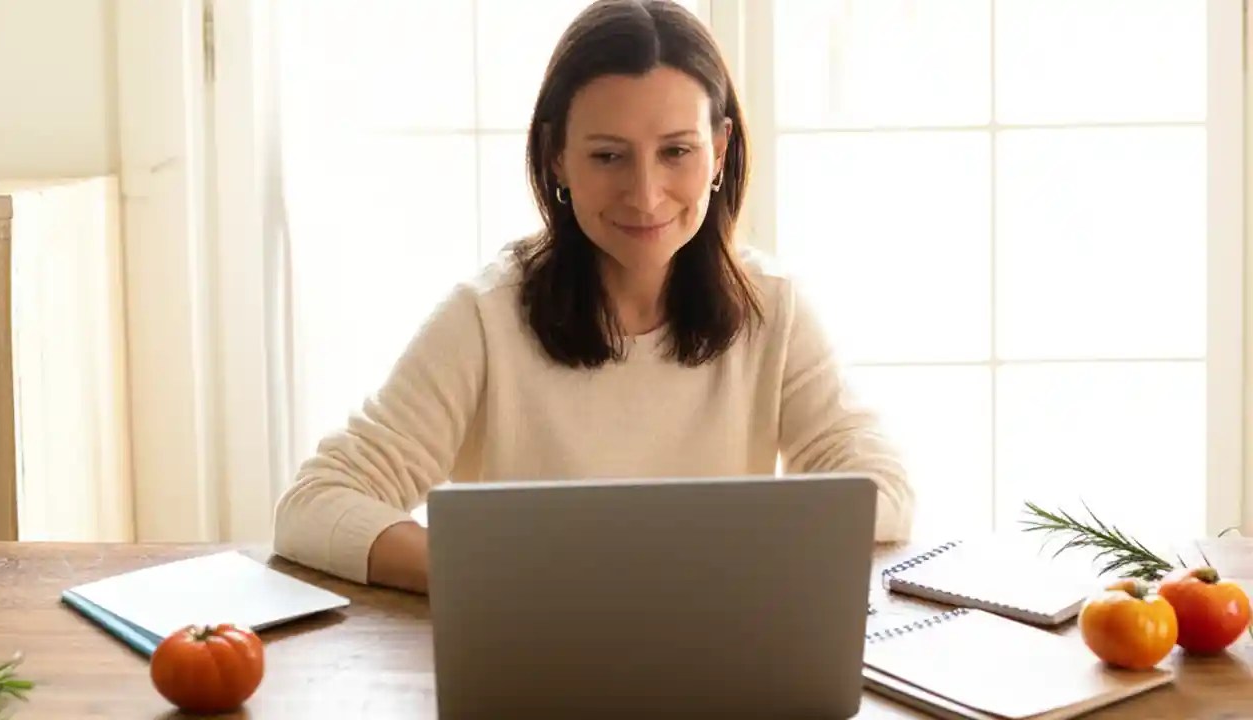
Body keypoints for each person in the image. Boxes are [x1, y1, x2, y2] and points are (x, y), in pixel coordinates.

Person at [272, 0, 913, 594]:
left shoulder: (774, 309)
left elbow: (884, 492)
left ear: (719, 152)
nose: (646, 193)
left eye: (676, 152)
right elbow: (314, 505)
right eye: (608, 156)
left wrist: (723, 556)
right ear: (556, 158)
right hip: (533, 664)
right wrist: (489, 575)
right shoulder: (484, 318)